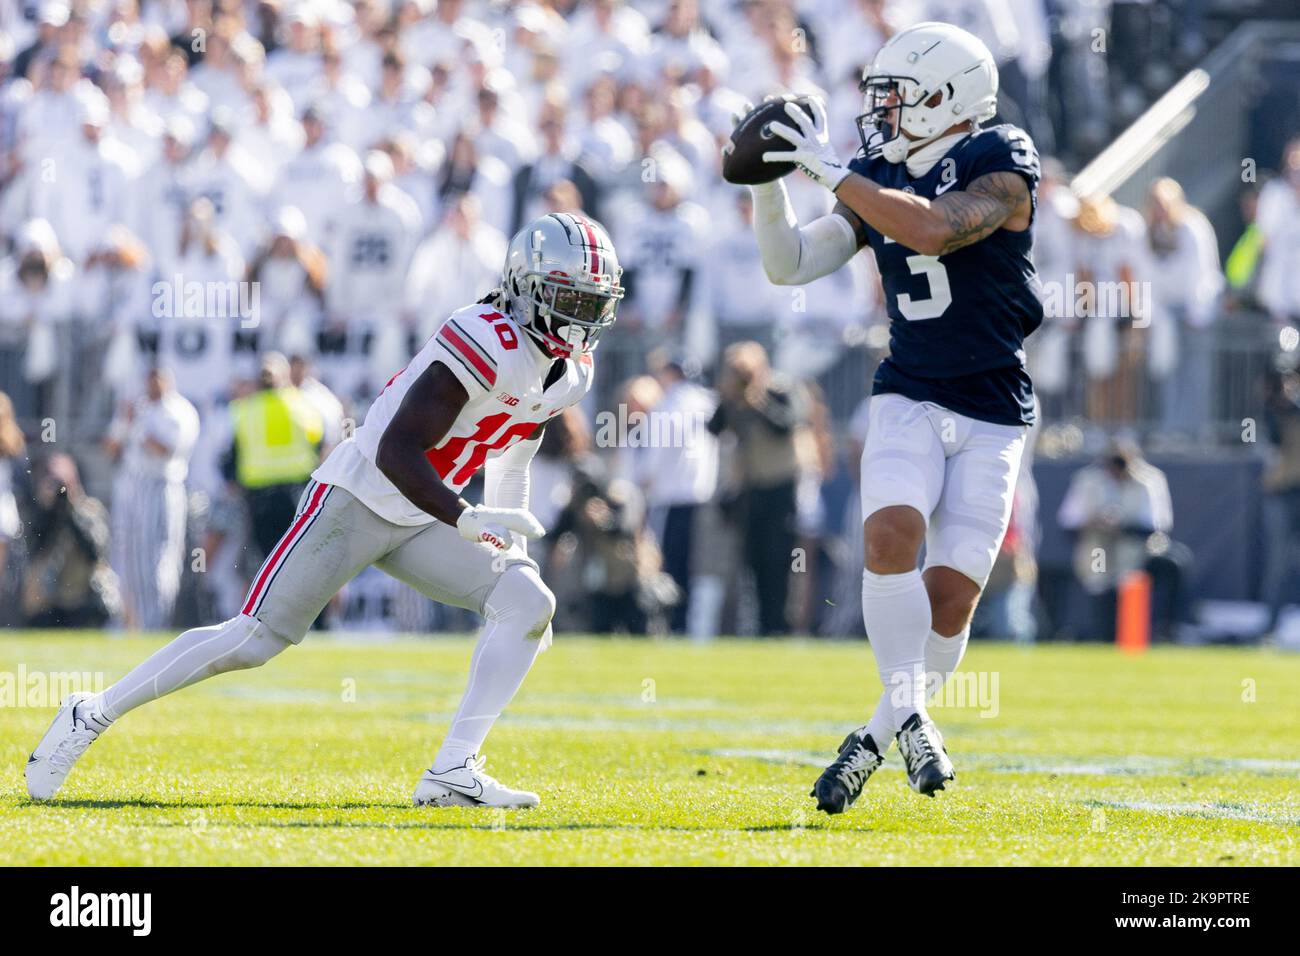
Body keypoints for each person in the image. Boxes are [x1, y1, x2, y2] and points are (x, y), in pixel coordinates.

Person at [26, 213, 624, 811]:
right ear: (527, 287)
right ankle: (91, 712)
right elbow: (396, 449)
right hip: (359, 496)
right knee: (253, 641)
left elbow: (516, 453)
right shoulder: (485, 335)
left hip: (427, 514)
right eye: (570, 296)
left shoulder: (572, 371)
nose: (583, 317)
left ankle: (452, 770)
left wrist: (508, 545)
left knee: (527, 603)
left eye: (594, 302)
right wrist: (466, 516)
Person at [739, 23, 1043, 810]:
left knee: (952, 598)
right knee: (887, 537)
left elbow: (933, 229)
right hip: (909, 388)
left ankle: (876, 734)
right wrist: (769, 185)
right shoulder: (873, 173)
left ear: (945, 97)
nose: (881, 110)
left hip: (993, 408)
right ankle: (911, 718)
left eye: (895, 95)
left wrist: (824, 167)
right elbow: (789, 264)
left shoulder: (999, 155)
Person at [104, 367, 200, 631]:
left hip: (162, 487)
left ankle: (155, 622)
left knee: (158, 557)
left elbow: (166, 451)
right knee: (127, 558)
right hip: (133, 486)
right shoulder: (139, 408)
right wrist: (126, 421)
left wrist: (140, 429)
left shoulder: (178, 410)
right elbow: (110, 447)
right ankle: (130, 622)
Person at [1057, 439, 1179, 642]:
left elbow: (1158, 527)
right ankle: (1101, 635)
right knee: (1099, 580)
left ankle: (1164, 631)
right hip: (1097, 550)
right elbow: (1069, 523)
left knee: (1168, 566)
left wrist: (1122, 527)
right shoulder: (1087, 480)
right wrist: (1096, 523)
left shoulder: (1149, 480)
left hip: (1137, 553)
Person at [226, 351, 324, 565]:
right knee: (301, 560)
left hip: (259, 498)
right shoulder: (303, 405)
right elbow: (320, 445)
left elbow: (233, 454)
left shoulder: (243, 410)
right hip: (297, 495)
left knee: (268, 563)